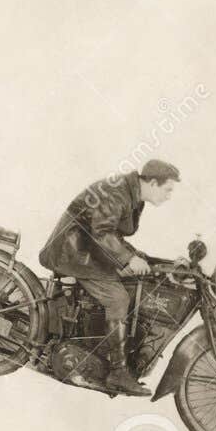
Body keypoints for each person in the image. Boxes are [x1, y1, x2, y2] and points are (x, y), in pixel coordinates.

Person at [38, 159, 180, 396]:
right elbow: (102, 233)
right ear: (153, 183)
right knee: (118, 299)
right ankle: (118, 372)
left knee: (135, 283)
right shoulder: (118, 192)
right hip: (73, 253)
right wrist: (128, 259)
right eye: (167, 190)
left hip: (87, 250)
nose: (168, 196)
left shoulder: (130, 193)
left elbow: (111, 233)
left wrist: (143, 258)